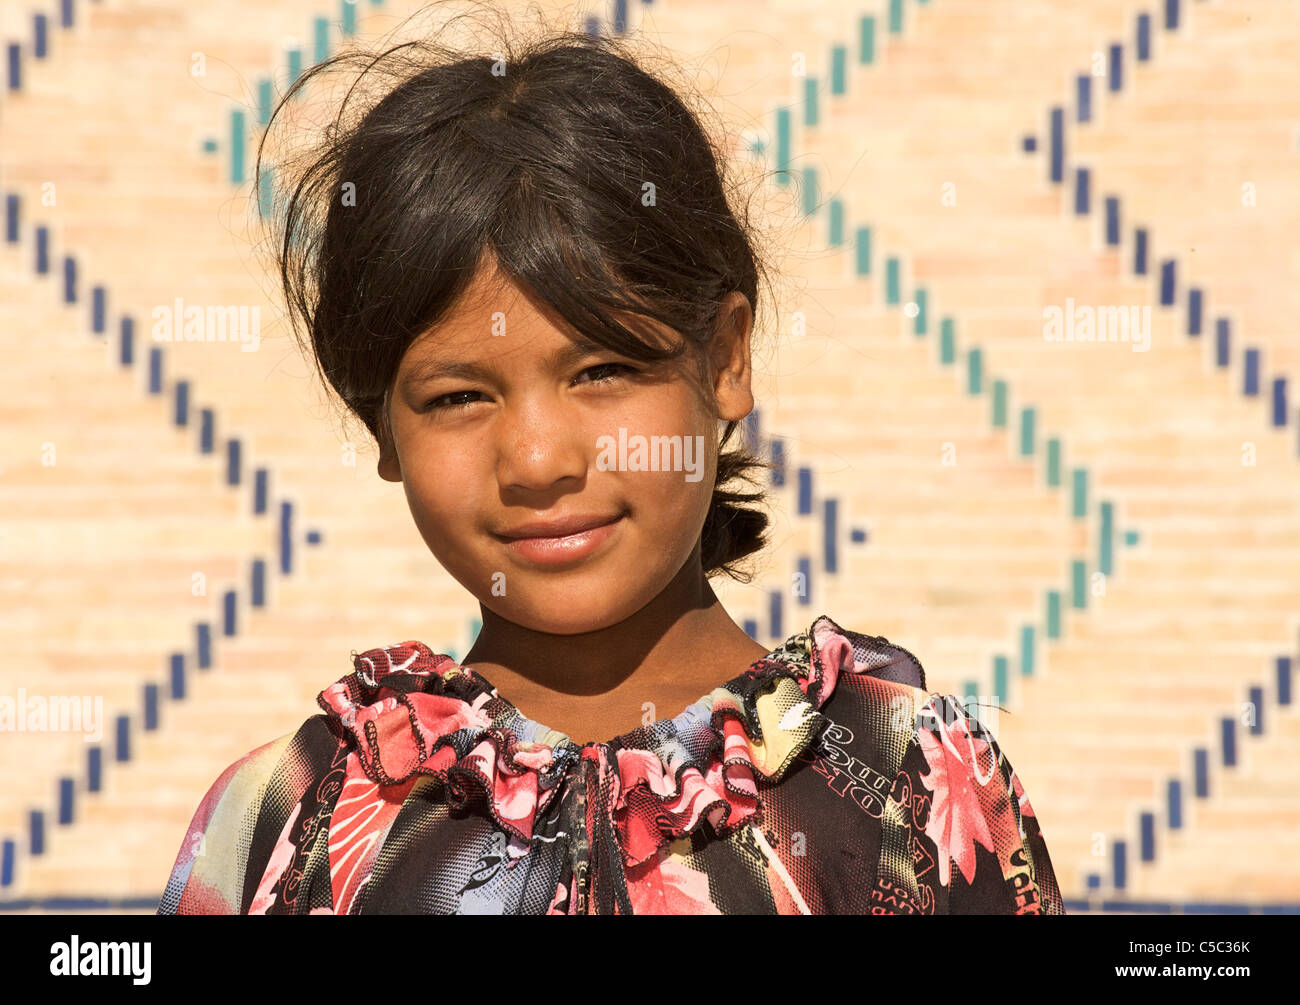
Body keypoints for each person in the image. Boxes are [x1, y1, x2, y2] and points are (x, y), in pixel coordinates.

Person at [157, 12, 1064, 916]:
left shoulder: (907, 780)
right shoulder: (290, 817)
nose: (539, 460)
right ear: (383, 428)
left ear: (725, 359)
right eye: (457, 397)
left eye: (603, 370)